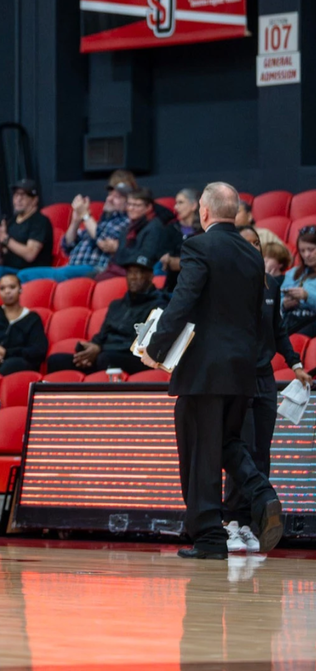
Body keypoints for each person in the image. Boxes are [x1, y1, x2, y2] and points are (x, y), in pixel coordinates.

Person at [142, 182, 284, 559]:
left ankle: (208, 538)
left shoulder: (199, 246)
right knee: (226, 443)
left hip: (204, 370)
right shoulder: (253, 256)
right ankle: (262, 493)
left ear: (204, 211)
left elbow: (182, 301)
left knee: (199, 450)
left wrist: (154, 348)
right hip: (242, 370)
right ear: (234, 212)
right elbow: (258, 317)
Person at [225, 226, 311, 553]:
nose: (249, 249)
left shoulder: (271, 285)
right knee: (240, 450)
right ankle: (231, 521)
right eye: (243, 244)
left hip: (264, 381)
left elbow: (280, 331)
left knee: (261, 452)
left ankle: (251, 523)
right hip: (236, 378)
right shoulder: (226, 286)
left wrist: (296, 364)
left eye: (254, 244)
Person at [46, 257, 167, 375]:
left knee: (105, 359)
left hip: (133, 357)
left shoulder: (159, 305)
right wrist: (91, 347)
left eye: (138, 272)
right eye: (130, 272)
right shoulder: (116, 305)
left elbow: (140, 344)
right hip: (105, 354)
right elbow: (102, 335)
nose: (133, 277)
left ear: (151, 276)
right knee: (56, 360)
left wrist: (100, 349)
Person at [20, 184, 130, 282]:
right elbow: (67, 246)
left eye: (117, 197)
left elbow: (103, 241)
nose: (109, 198)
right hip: (72, 268)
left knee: (56, 275)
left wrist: (85, 215)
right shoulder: (98, 223)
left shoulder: (126, 223)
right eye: (110, 194)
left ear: (127, 204)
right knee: (23, 275)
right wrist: (76, 220)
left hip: (95, 269)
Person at [96, 189, 181, 282]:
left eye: (136, 205)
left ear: (148, 207)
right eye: (129, 204)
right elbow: (118, 256)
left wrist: (121, 251)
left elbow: (145, 258)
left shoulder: (155, 227)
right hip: (120, 269)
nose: (131, 208)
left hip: (139, 274)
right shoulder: (128, 227)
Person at [280, 228, 316, 336]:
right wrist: (284, 304)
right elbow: (277, 300)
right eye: (302, 251)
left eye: (311, 250)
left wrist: (306, 296)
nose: (306, 255)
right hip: (290, 320)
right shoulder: (292, 273)